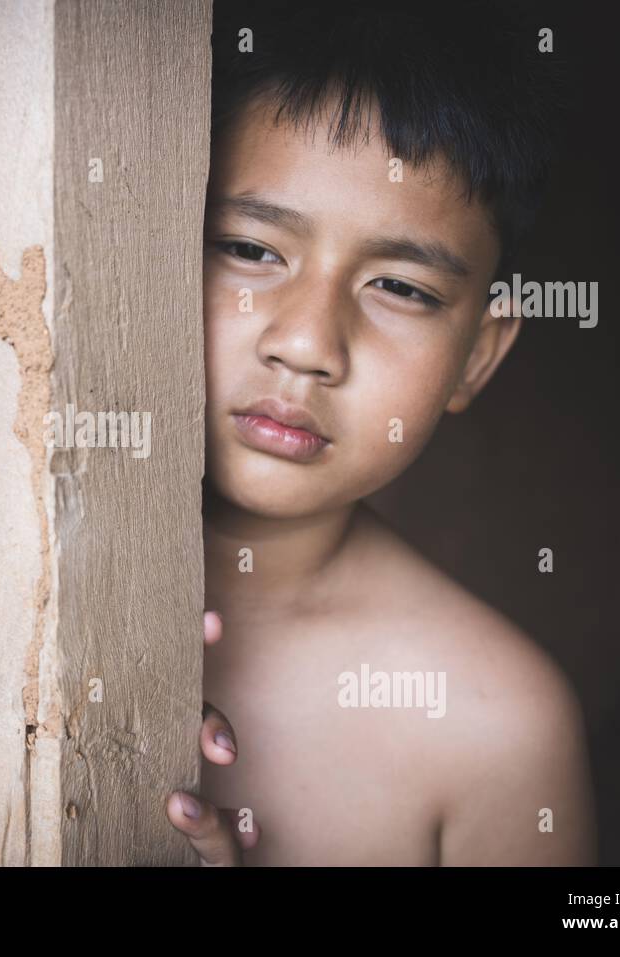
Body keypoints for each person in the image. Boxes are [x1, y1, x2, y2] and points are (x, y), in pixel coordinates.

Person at [164, 0, 596, 865]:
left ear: (478, 353)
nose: (307, 343)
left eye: (402, 288)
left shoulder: (495, 725)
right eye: (249, 249)